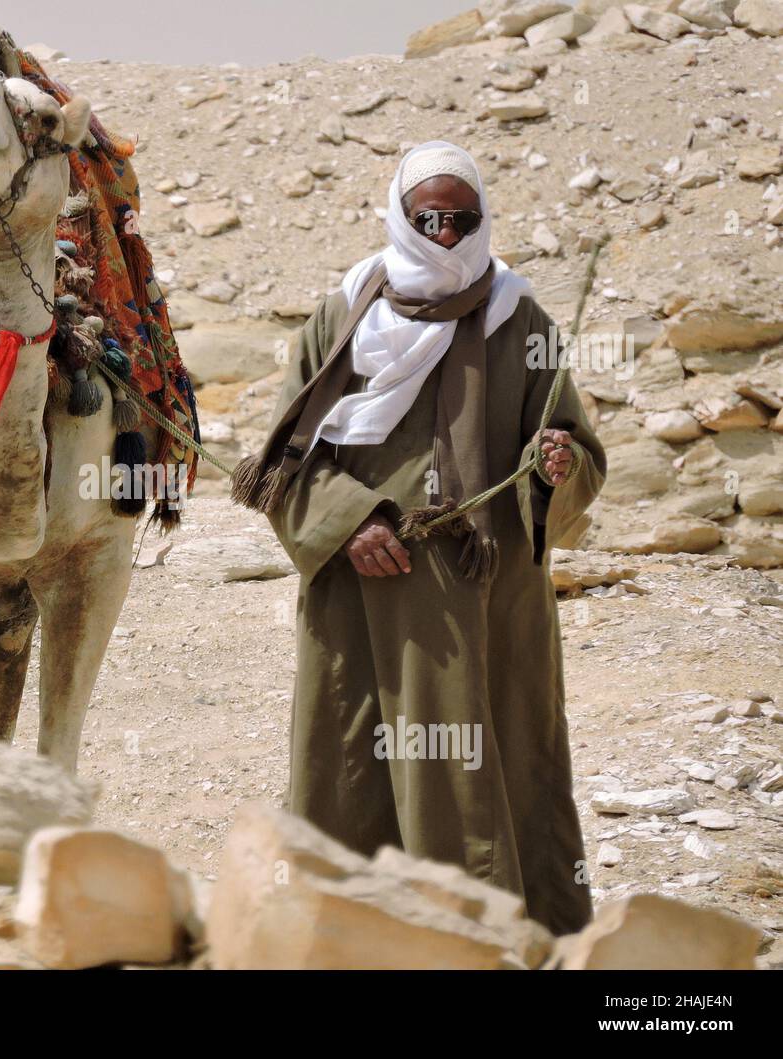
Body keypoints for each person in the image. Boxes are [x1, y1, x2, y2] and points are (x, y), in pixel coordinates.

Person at [233, 140, 607, 935]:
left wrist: (556, 465)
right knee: (356, 766)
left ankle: (502, 938)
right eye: (428, 219)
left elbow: (575, 445)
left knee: (498, 761)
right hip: (360, 599)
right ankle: (351, 941)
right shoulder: (341, 319)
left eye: (460, 220)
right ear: (400, 218)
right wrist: (349, 521)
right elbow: (283, 460)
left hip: (488, 601)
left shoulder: (520, 316)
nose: (445, 236)